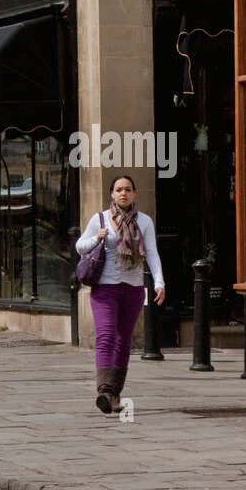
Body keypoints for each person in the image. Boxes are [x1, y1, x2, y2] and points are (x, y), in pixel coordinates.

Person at [76, 175, 165, 414]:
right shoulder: (100, 219)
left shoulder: (144, 221)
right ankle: (104, 390)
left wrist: (159, 282)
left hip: (133, 288)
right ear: (112, 194)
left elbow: (153, 254)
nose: (123, 193)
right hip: (105, 287)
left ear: (134, 193)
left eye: (127, 189)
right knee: (105, 336)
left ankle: (115, 393)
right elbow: (79, 246)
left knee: (123, 341)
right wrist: (97, 237)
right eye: (118, 190)